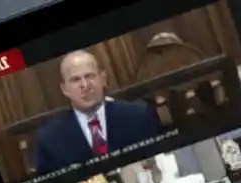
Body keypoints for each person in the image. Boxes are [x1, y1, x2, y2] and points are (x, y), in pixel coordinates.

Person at [32, 50, 161, 175]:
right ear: (64, 89)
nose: (85, 85)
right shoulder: (49, 140)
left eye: (89, 76)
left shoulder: (138, 115)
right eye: (76, 80)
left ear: (103, 79)